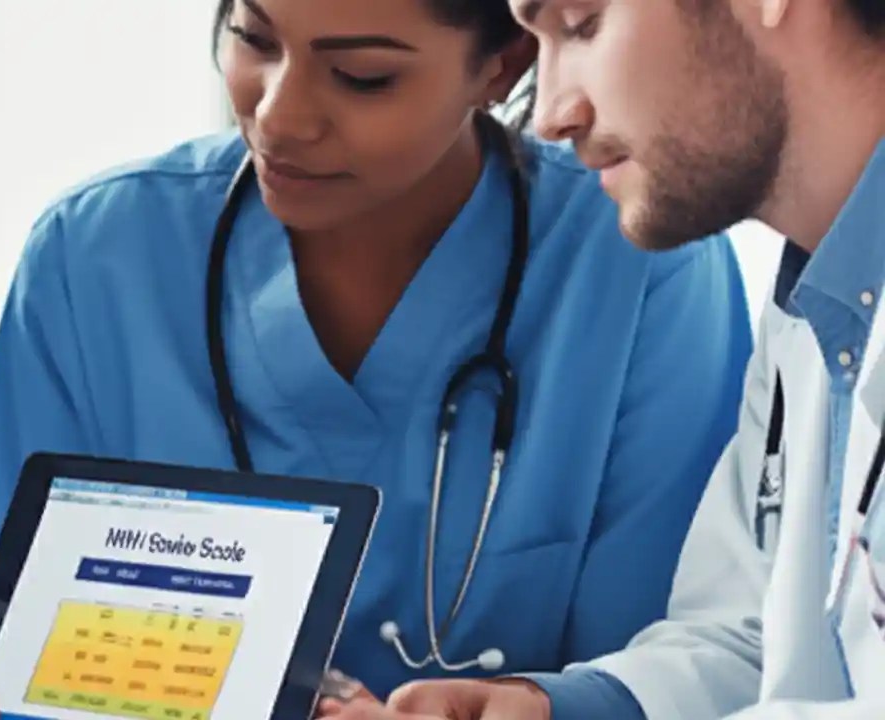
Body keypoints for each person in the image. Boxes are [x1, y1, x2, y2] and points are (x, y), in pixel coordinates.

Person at [0, 0, 753, 703]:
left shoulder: (638, 261)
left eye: (363, 76)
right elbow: (32, 671)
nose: (279, 115)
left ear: (502, 66)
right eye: (254, 37)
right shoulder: (95, 259)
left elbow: (686, 665)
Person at [317, 0, 885, 718]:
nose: (551, 112)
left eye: (583, 24)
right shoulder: (814, 308)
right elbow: (756, 647)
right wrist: (559, 710)